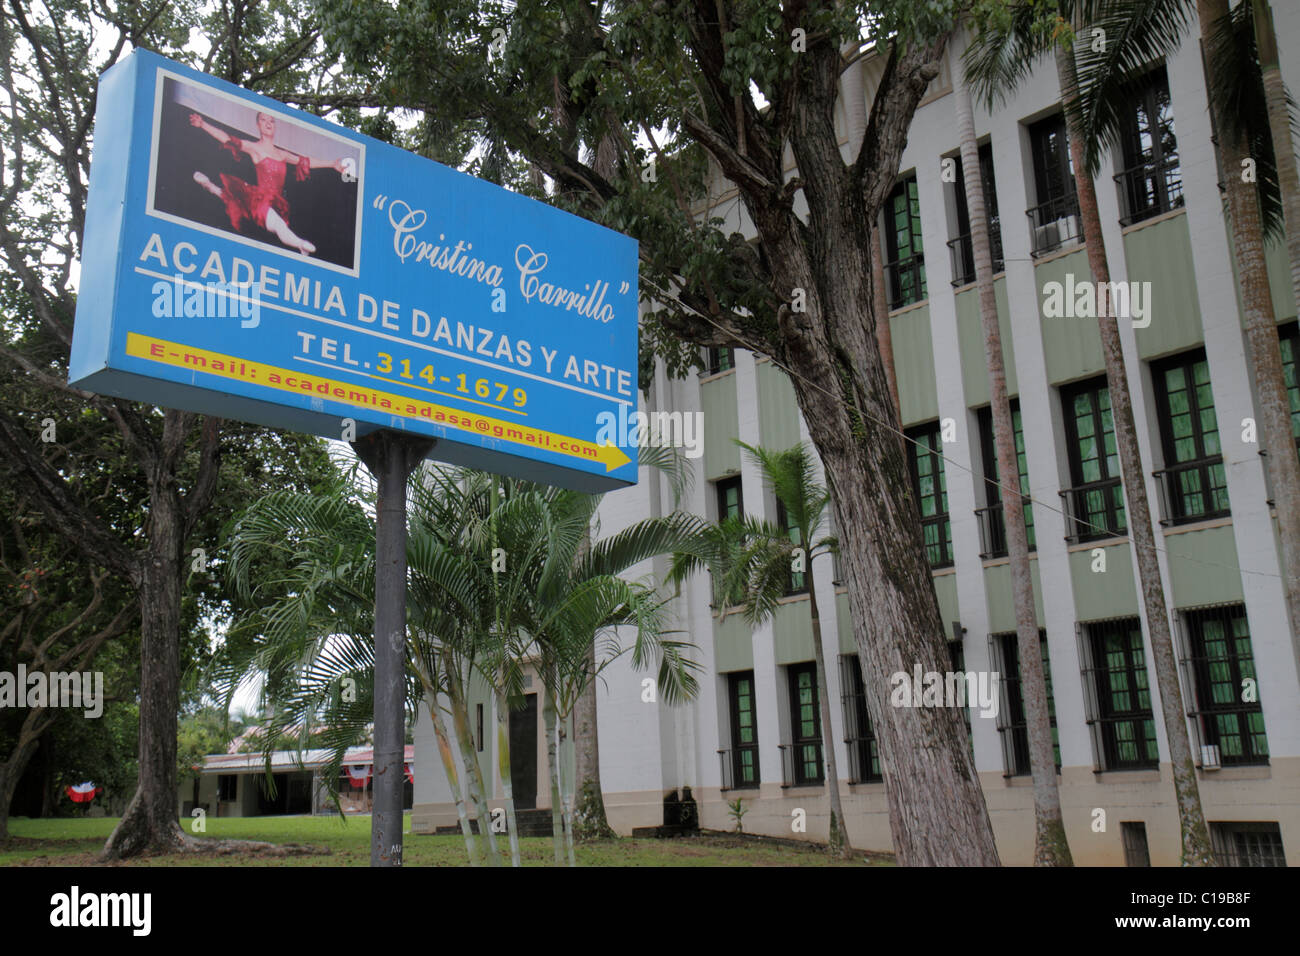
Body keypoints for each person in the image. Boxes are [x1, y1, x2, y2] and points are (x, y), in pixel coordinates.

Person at [188, 109, 348, 256]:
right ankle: (300, 244)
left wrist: (332, 164)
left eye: (271, 121)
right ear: (258, 125)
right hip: (260, 200)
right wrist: (203, 124)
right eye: (264, 120)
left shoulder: (282, 154)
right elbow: (227, 138)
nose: (268, 123)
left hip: (276, 202)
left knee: (234, 200)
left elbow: (306, 161)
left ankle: (209, 186)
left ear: (275, 126)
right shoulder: (254, 148)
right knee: (278, 225)